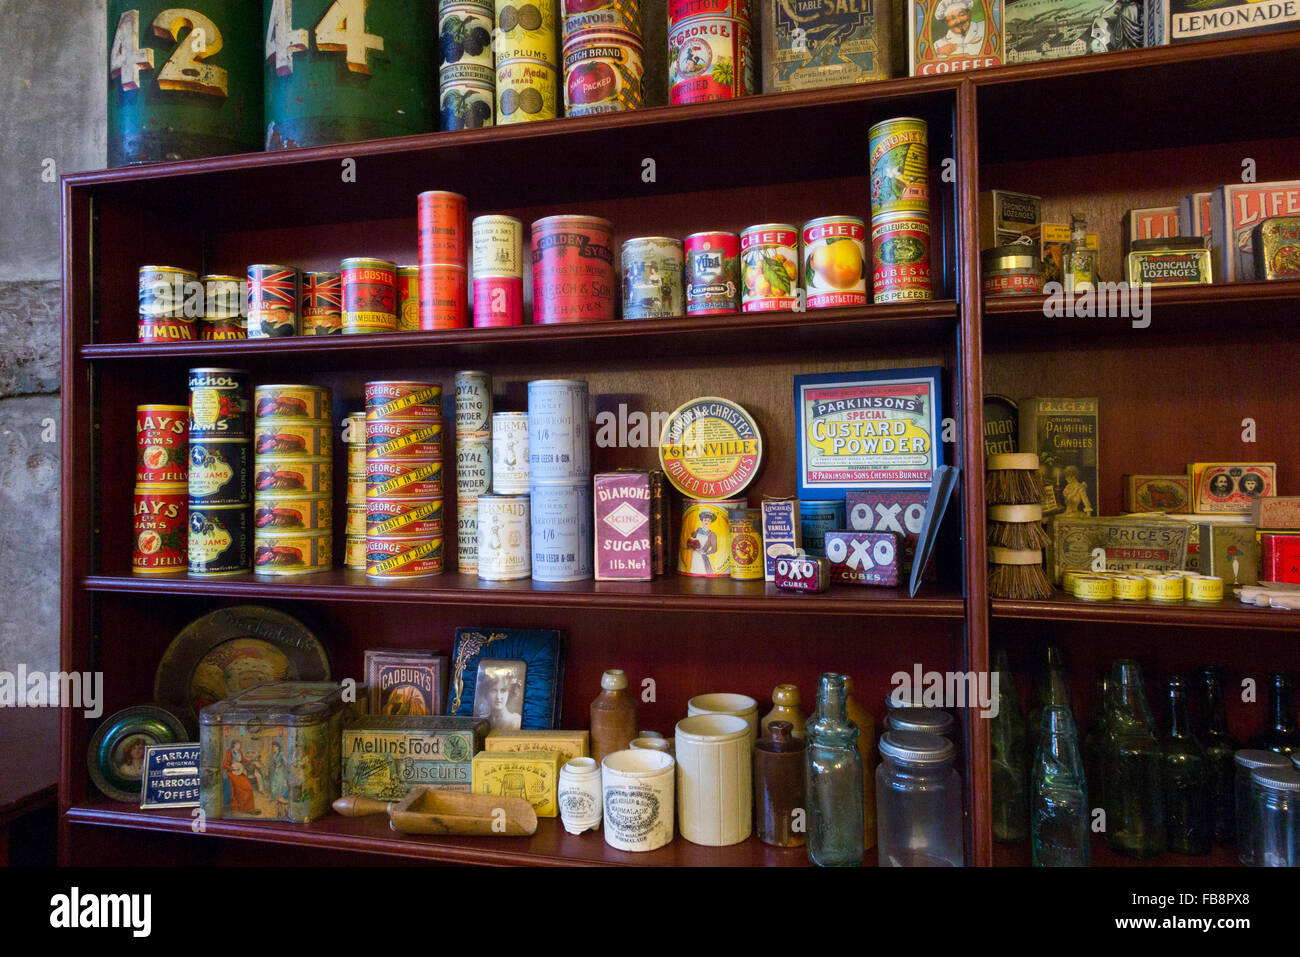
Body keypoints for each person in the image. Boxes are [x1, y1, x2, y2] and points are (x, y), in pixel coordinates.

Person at [224, 741, 258, 814]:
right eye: (238, 745)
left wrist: (250, 761)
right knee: (240, 789)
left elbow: (243, 761)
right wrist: (232, 768)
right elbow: (224, 764)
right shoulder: (229, 752)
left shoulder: (240, 752)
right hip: (232, 773)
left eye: (240, 745)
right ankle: (242, 808)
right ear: (234, 745)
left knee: (248, 787)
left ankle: (249, 808)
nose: (239, 746)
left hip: (239, 772)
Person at [685, 509, 720, 575]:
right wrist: (691, 545)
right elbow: (693, 540)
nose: (706, 522)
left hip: (703, 556)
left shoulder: (712, 534)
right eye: (705, 520)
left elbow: (714, 549)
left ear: (711, 522)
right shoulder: (698, 530)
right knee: (694, 570)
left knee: (703, 570)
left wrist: (705, 552)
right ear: (702, 520)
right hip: (695, 556)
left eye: (708, 520)